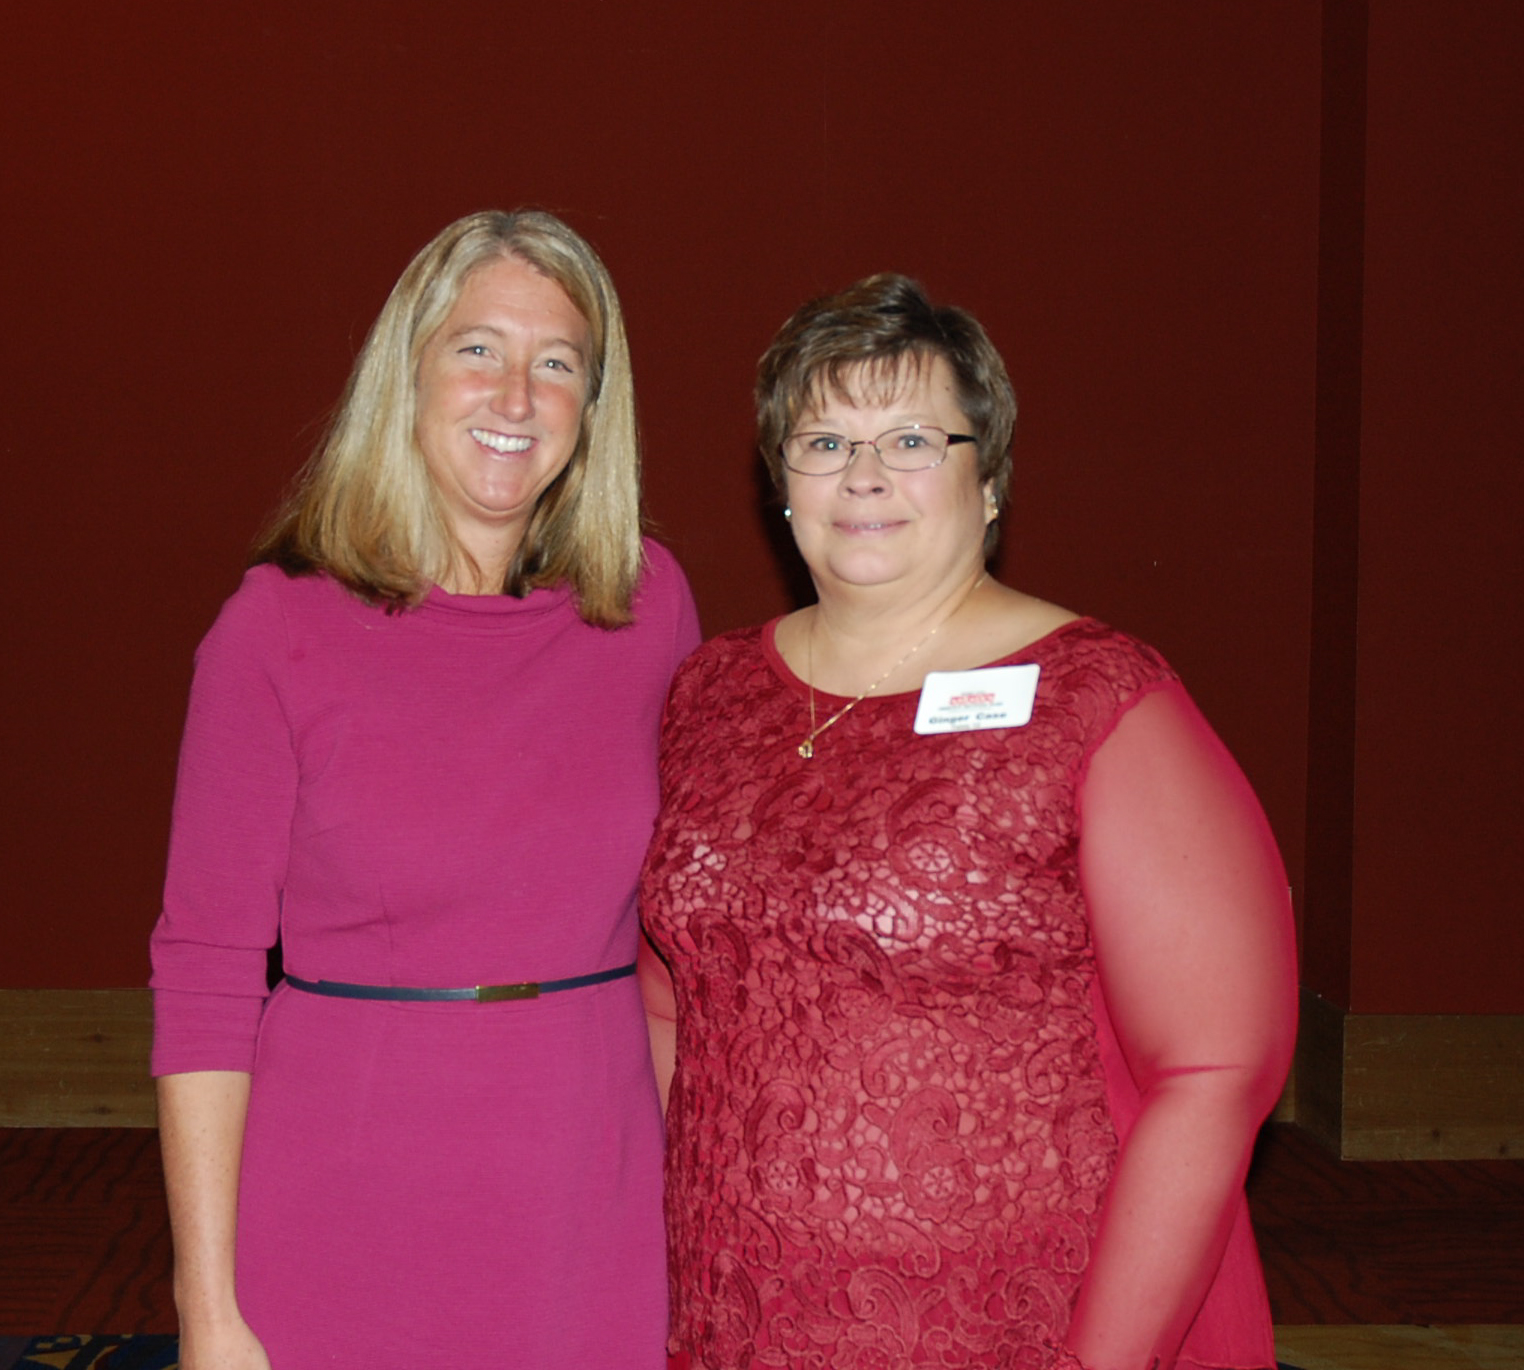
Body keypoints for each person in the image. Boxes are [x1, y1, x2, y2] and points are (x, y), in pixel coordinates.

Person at [641, 274, 1297, 1370]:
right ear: (780, 482)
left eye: (910, 438)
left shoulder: (1091, 695)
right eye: (822, 440)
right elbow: (673, 996)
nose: (862, 474)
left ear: (985, 477)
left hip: (1000, 1320)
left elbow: (1213, 1066)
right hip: (731, 1311)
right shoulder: (710, 692)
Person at [149, 209, 699, 1370]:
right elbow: (202, 970)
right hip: (345, 1194)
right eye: (476, 348)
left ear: (593, 410)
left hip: (589, 1195)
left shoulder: (647, 609)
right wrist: (207, 1305)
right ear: (405, 375)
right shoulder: (275, 629)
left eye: (558, 364)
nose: (516, 395)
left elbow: (676, 939)